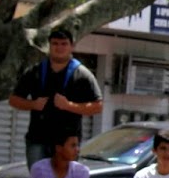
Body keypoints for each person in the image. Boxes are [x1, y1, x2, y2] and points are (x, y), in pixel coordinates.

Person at [7, 27, 103, 166]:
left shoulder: (82, 74)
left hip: (67, 142)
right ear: (49, 46)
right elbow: (14, 100)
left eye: (64, 44)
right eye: (55, 44)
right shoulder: (36, 71)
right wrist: (33, 104)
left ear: (72, 46)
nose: (59, 48)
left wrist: (69, 106)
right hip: (37, 139)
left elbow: (97, 106)